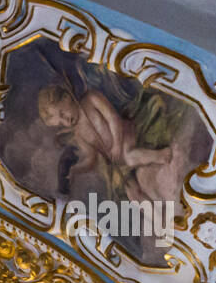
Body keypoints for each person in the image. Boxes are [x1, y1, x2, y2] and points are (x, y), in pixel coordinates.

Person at [37, 84, 172, 201]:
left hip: (124, 136)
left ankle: (160, 155)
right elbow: (92, 159)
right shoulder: (78, 134)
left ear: (67, 97)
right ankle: (158, 221)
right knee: (132, 194)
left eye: (62, 113)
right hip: (116, 160)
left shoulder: (91, 99)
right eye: (60, 123)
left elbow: (113, 118)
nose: (66, 121)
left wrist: (117, 144)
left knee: (129, 157)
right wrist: (75, 170)